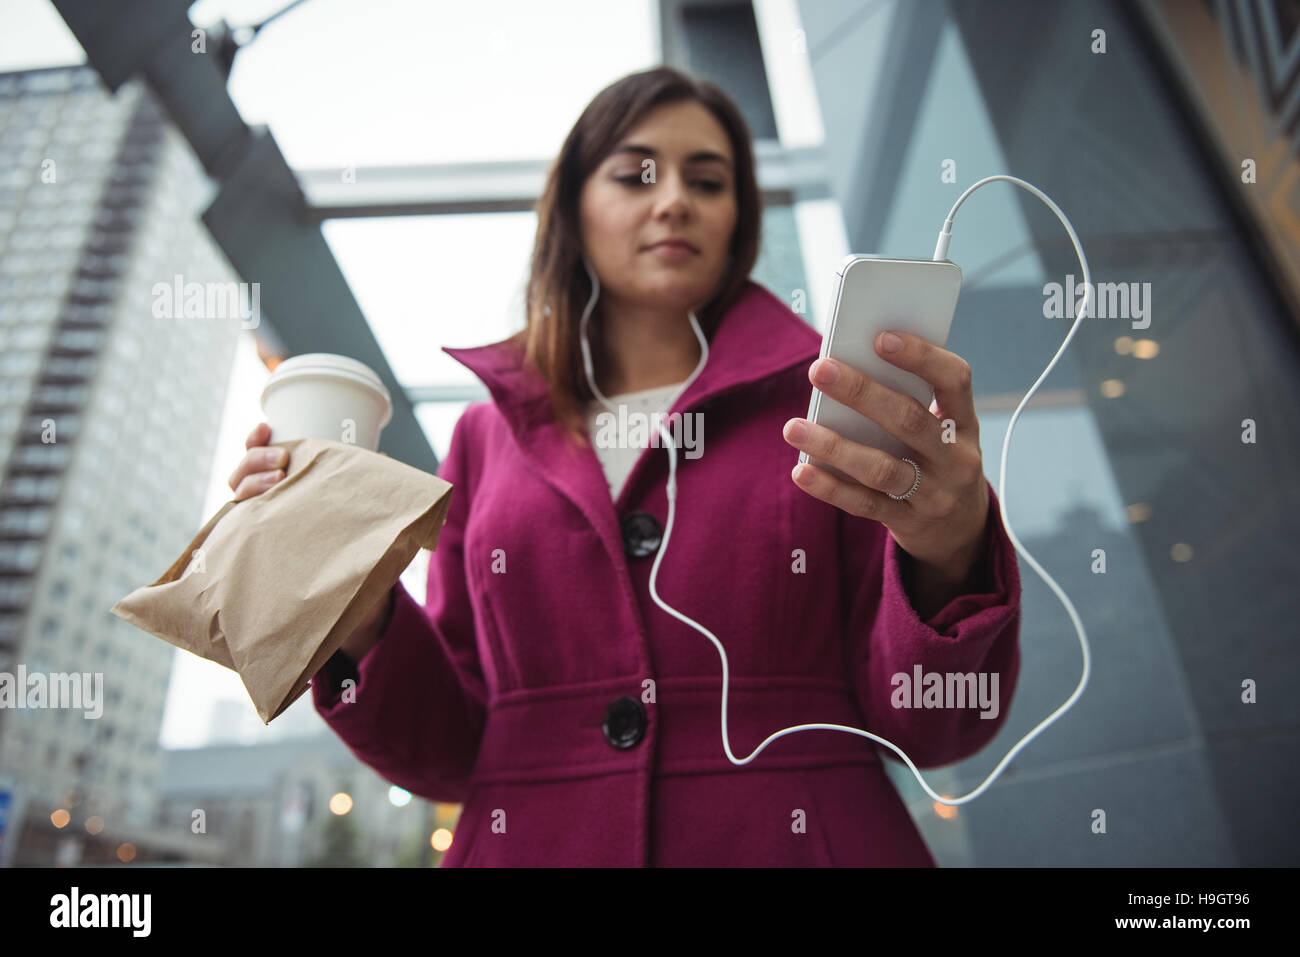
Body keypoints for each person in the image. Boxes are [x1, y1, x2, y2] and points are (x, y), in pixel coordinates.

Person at [228, 66, 1022, 866]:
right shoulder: (483, 437)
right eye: (637, 173)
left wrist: (951, 557)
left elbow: (928, 725)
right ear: (573, 205)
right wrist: (364, 621)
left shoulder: (829, 409)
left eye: (708, 181)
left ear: (738, 220)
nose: (674, 198)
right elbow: (449, 751)